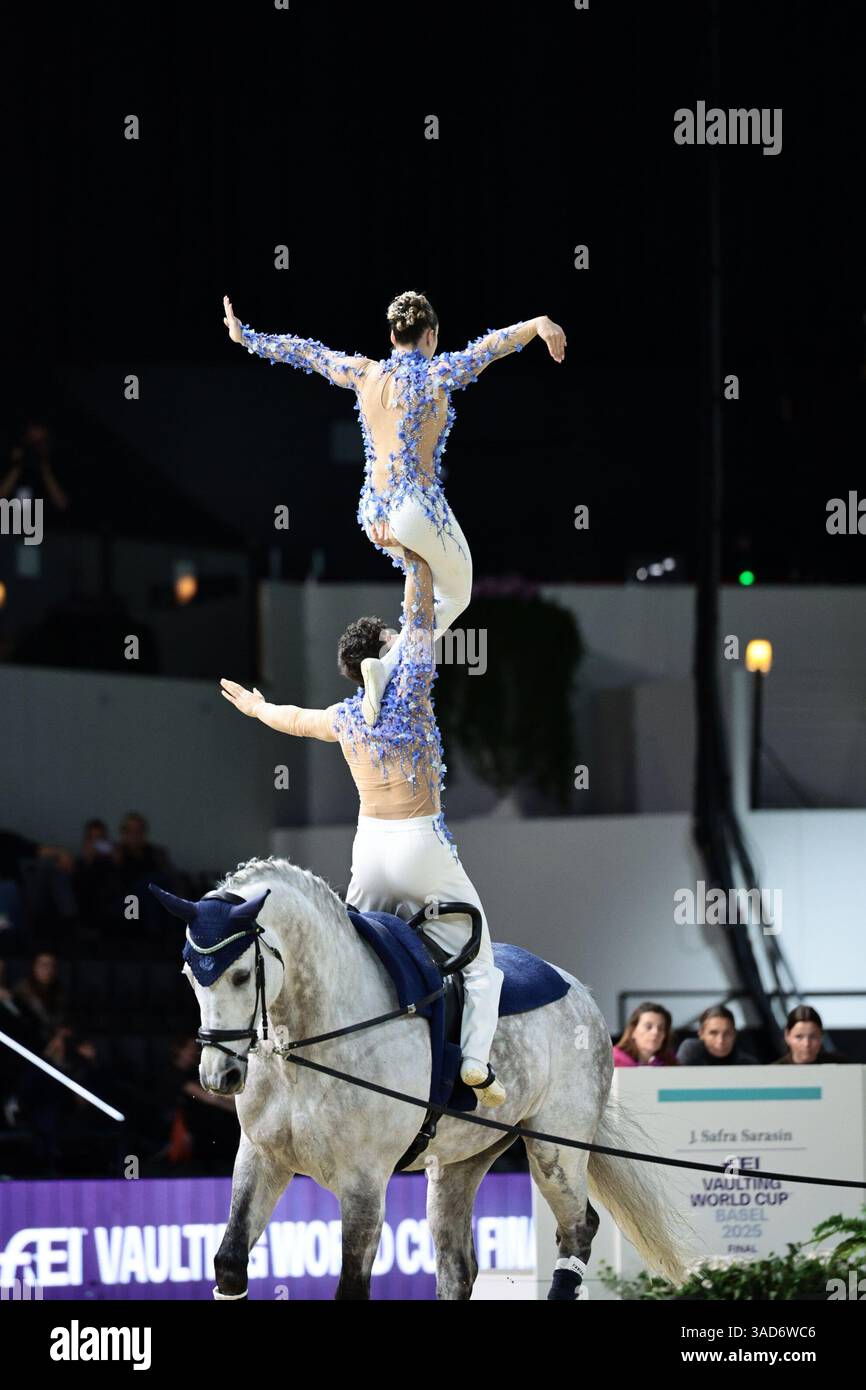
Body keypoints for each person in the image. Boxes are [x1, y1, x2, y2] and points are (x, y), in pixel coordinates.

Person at [220, 548, 508, 1106]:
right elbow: (421, 617)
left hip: (370, 849)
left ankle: (316, 1055)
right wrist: (416, 558)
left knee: (347, 953)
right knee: (481, 963)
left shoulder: (346, 717)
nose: (403, 638)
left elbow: (294, 721)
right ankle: (474, 1062)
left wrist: (258, 709)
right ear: (385, 654)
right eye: (392, 638)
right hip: (420, 846)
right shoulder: (412, 697)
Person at [223, 289, 566, 724]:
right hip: (414, 509)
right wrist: (537, 324)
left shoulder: (366, 374)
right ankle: (387, 667)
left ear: (391, 336)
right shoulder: (437, 373)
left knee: (420, 577)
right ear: (431, 336)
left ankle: (385, 670)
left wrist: (246, 337)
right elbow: (489, 348)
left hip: (373, 515)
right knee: (457, 594)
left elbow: (308, 354)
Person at [676, 1004, 758, 1065]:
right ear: (701, 1034)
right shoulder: (691, 1051)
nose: (720, 1040)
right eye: (713, 1033)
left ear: (734, 1035)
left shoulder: (748, 1064)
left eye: (727, 1033)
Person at [772, 1005, 849, 1064]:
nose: (806, 1044)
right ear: (787, 1036)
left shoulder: (841, 1066)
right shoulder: (773, 1072)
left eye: (813, 1037)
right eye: (799, 1037)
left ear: (821, 1036)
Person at [613, 1001, 678, 1067]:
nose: (655, 1032)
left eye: (661, 1028)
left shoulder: (670, 1062)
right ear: (633, 1031)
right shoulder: (613, 1061)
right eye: (648, 1027)